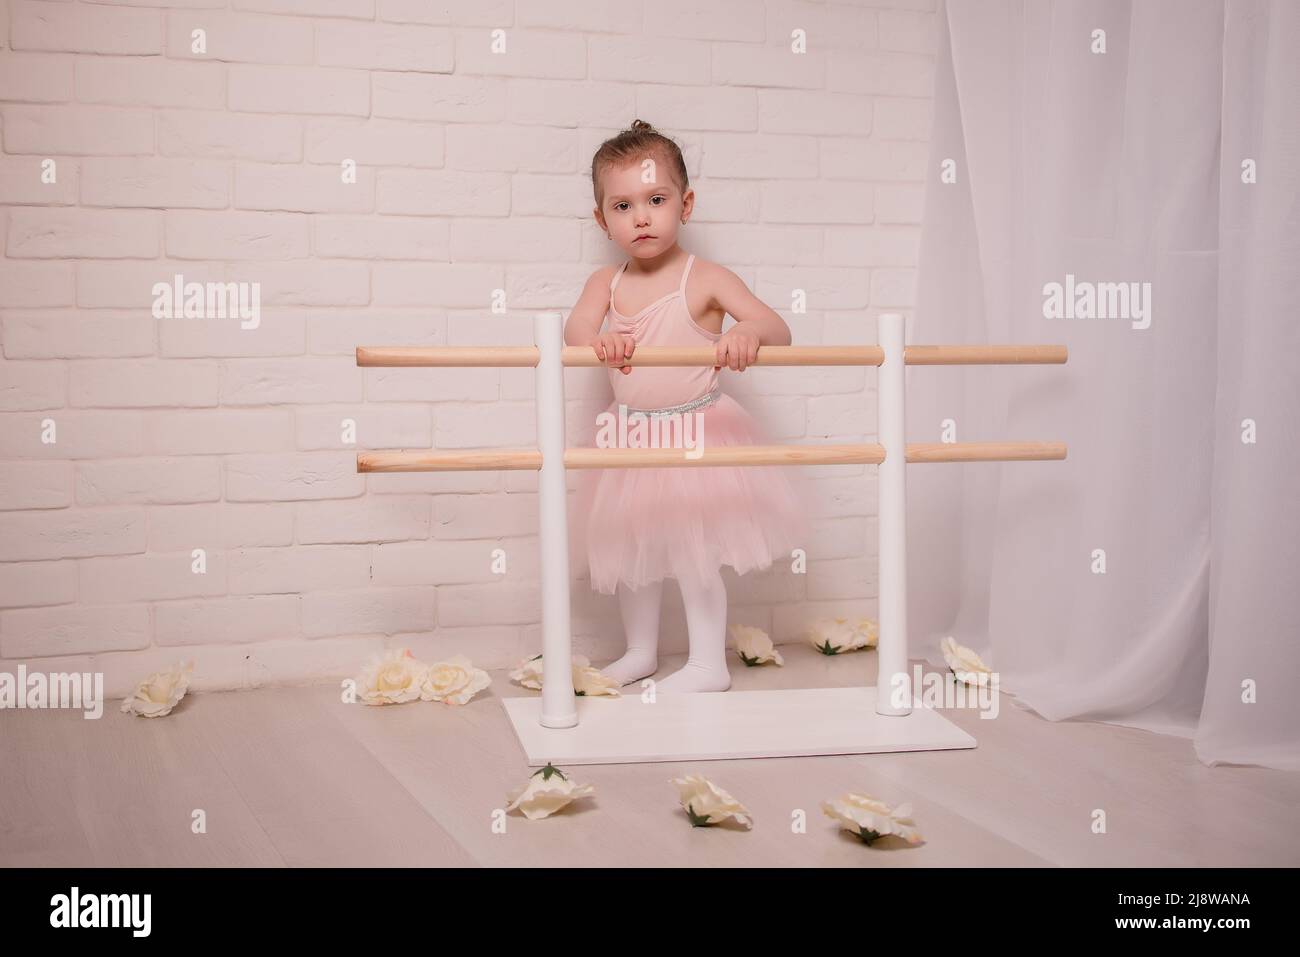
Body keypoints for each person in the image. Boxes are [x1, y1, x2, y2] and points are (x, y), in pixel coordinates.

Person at [565, 119, 810, 694]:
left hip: (697, 432)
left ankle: (706, 664)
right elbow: (576, 330)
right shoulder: (606, 282)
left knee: (695, 554)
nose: (642, 217)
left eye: (656, 200)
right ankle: (640, 652)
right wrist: (598, 340)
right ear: (604, 220)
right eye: (624, 205)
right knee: (632, 551)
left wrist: (746, 332)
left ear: (686, 204)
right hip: (630, 436)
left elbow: (777, 327)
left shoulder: (704, 279)